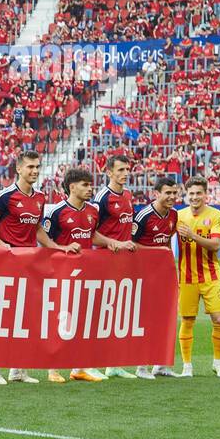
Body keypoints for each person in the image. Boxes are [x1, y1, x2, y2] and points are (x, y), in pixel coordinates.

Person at [0, 151, 47, 385]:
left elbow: (38, 229)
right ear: (18, 169)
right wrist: (4, 247)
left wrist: (57, 247)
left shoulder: (40, 197)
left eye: (37, 167)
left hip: (30, 262)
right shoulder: (5, 195)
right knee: (5, 315)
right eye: (30, 167)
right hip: (8, 263)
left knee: (27, 315)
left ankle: (18, 370)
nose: (35, 171)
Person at [39, 167, 106, 383]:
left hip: (86, 272)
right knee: (61, 318)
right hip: (61, 273)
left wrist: (113, 243)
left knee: (83, 318)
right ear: (72, 186)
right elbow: (45, 242)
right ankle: (52, 368)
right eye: (85, 185)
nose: (90, 189)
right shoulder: (56, 212)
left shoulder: (93, 211)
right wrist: (63, 248)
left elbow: (92, 235)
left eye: (90, 184)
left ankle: (79, 368)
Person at [162, 176, 220, 378]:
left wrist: (192, 235)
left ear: (206, 194)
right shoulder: (178, 216)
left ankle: (218, 363)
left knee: (218, 318)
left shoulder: (216, 215)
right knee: (187, 320)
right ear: (186, 195)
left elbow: (216, 245)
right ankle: (187, 366)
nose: (195, 197)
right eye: (191, 193)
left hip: (211, 276)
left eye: (199, 193)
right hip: (186, 277)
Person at [90, 154, 139, 379]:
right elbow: (91, 233)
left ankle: (114, 364)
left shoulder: (128, 195)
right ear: (109, 172)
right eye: (120, 170)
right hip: (103, 262)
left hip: (123, 263)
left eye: (127, 169)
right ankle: (89, 363)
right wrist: (116, 243)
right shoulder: (102, 198)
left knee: (118, 313)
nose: (125, 173)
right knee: (99, 313)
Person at [131, 177, 181, 380]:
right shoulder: (143, 215)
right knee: (146, 320)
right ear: (156, 193)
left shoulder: (174, 215)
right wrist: (155, 250)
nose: (171, 196)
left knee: (166, 318)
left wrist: (168, 262)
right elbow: (130, 244)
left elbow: (168, 241)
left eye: (174, 193)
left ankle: (161, 365)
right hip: (143, 275)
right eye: (167, 192)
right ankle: (141, 367)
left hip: (163, 274)